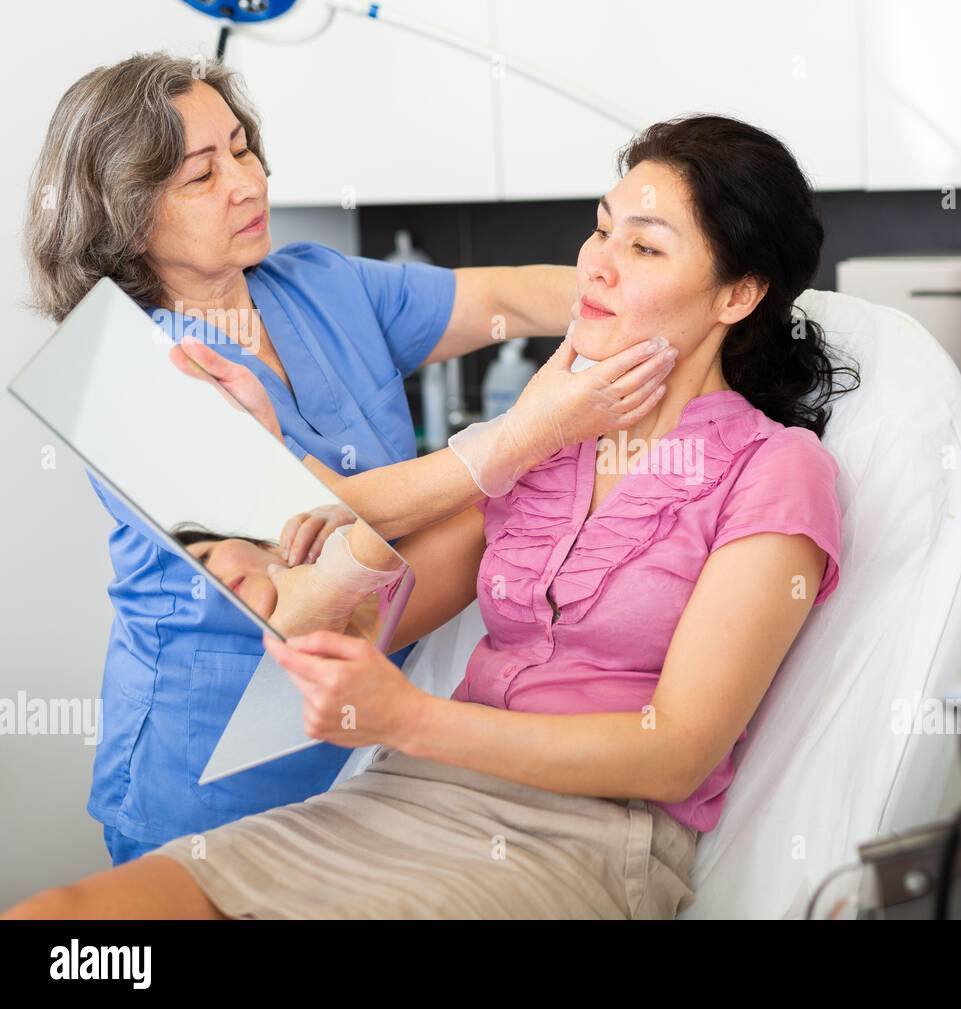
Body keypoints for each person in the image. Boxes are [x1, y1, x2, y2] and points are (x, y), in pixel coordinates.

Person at [6, 113, 859, 920]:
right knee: (69, 917)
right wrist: (273, 538)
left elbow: (676, 750)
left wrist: (409, 716)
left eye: (642, 245)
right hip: (408, 790)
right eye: (601, 230)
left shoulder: (775, 472)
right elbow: (371, 611)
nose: (594, 265)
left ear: (738, 294)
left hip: (583, 832)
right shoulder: (550, 444)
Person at [21, 51, 673, 867]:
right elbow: (315, 565)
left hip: (367, 750)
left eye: (242, 147)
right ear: (125, 215)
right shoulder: (124, 384)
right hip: (207, 780)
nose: (247, 182)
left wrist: (645, 298)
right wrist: (532, 435)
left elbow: (503, 301)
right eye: (200, 176)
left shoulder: (313, 284)